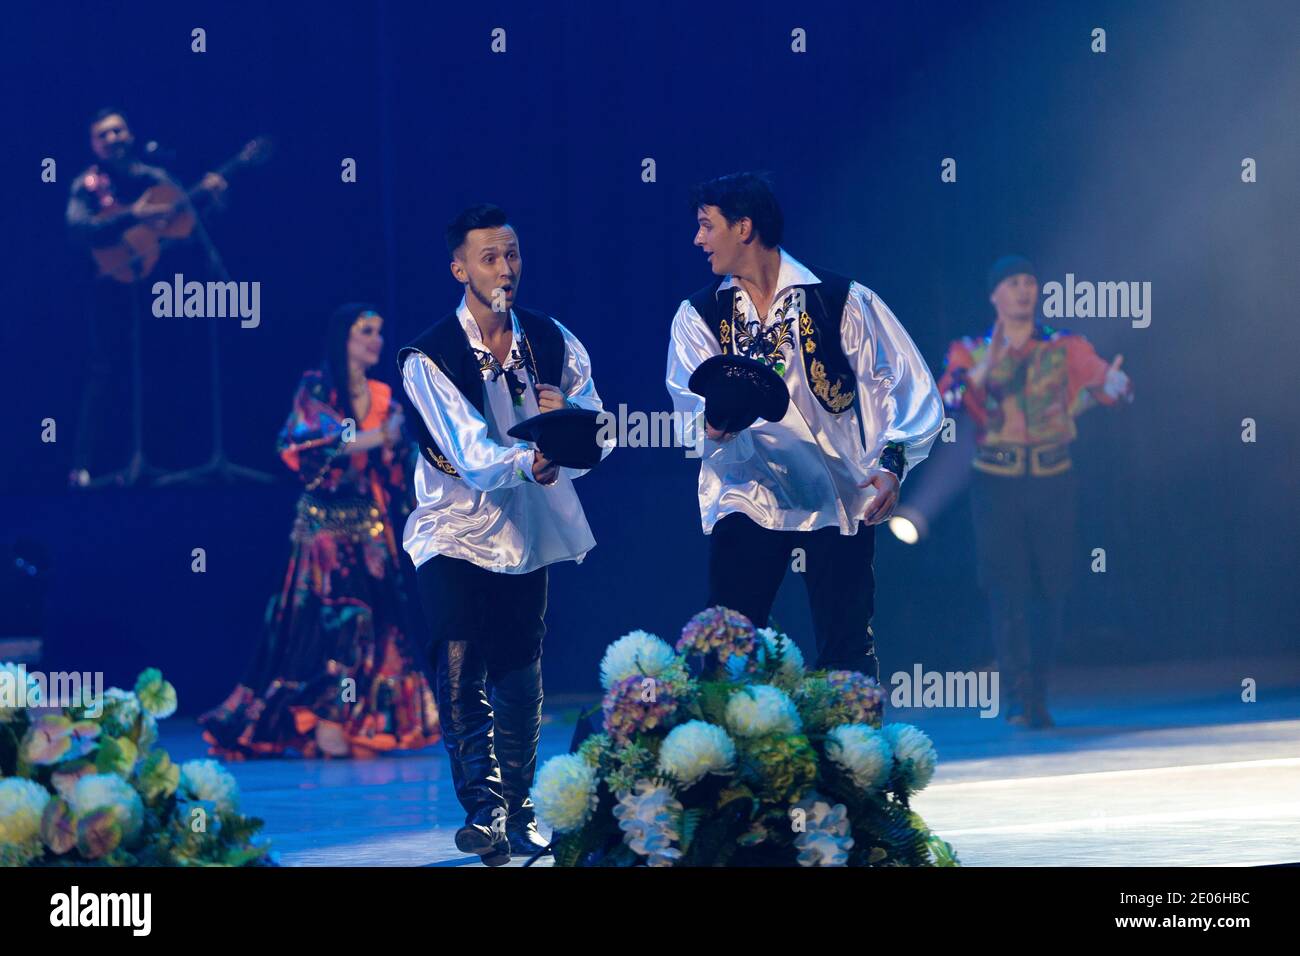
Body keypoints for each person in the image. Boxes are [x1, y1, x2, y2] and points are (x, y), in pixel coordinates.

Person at [666, 171, 944, 679]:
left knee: (846, 652)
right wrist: (713, 423)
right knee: (726, 648)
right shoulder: (700, 314)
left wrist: (891, 465)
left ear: (743, 227)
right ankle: (726, 732)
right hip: (747, 492)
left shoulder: (841, 299)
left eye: (707, 225)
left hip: (837, 493)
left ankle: (850, 732)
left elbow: (900, 384)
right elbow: (690, 403)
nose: (698, 239)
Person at [399, 204, 607, 865]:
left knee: (519, 666)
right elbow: (469, 453)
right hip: (452, 524)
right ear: (460, 269)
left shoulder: (551, 338)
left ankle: (519, 811)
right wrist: (533, 458)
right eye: (489, 257)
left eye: (512, 254)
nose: (505, 268)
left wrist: (568, 422)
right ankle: (483, 809)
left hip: (523, 525)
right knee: (459, 654)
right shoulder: (427, 357)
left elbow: (598, 427)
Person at [198, 304, 440, 758]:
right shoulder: (316, 389)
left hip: (369, 531)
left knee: (377, 629)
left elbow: (396, 465)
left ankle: (352, 720)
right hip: (322, 534)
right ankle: (323, 718)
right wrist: (378, 438)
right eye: (365, 331)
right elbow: (309, 442)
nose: (376, 340)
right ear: (343, 338)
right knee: (335, 623)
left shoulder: (383, 397)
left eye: (379, 331)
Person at [938, 255, 1134, 728]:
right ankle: (1017, 695)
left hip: (1052, 478)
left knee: (1052, 587)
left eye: (1029, 282)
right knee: (1006, 589)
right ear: (994, 295)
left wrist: (1116, 384)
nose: (1024, 290)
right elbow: (947, 399)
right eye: (1013, 283)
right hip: (996, 482)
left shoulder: (1065, 346)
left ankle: (1040, 691)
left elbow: (1109, 384)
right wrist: (985, 371)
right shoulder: (970, 351)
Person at [65, 108, 228, 485]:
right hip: (109, 289)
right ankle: (87, 466)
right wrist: (132, 216)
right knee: (106, 370)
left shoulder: (154, 177)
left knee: (163, 365)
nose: (113, 138)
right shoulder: (88, 184)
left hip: (157, 288)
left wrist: (212, 199)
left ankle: (162, 460)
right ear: (93, 144)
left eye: (118, 131)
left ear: (131, 135)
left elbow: (186, 226)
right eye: (104, 134)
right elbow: (78, 229)